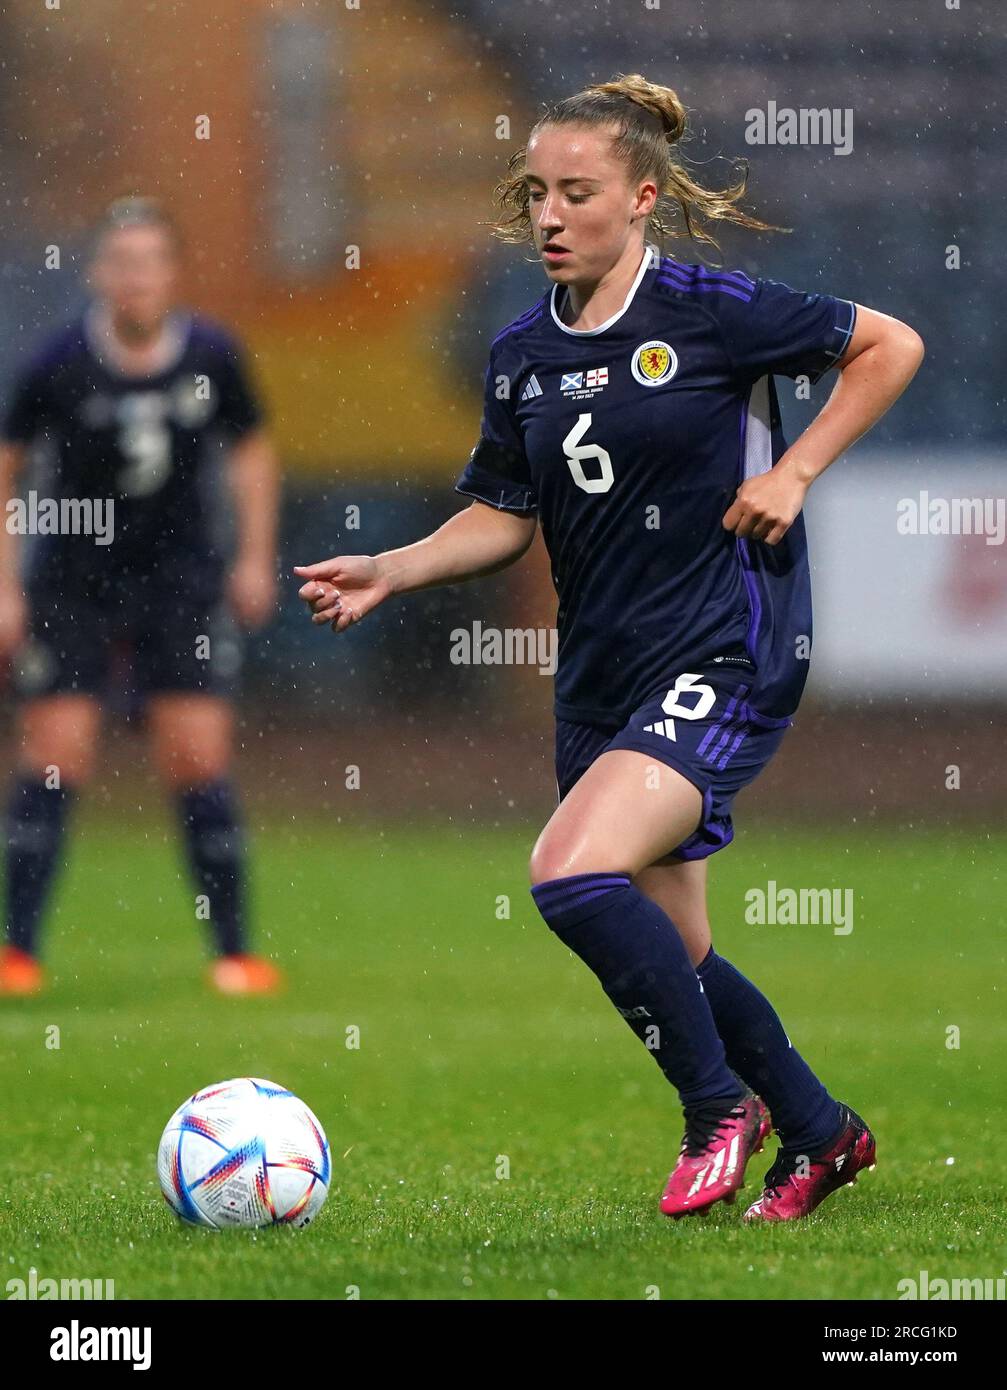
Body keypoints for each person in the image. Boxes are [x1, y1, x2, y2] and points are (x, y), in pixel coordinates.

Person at [294, 75, 924, 1220]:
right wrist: (391, 567)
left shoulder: (709, 310)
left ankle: (715, 1110)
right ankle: (822, 1133)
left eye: (574, 192)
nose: (547, 213)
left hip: (723, 649)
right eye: (533, 191)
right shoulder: (520, 354)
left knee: (568, 874)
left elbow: (888, 343)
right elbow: (503, 515)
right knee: (675, 947)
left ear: (638, 199)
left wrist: (792, 469)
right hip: (599, 677)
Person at [0, 196, 283, 997]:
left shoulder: (213, 356)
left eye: (149, 263)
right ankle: (17, 953)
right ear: (96, 274)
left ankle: (233, 954)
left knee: (196, 757)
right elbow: (7, 462)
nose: (134, 280)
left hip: (181, 579)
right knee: (54, 758)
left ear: (173, 274)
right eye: (119, 264)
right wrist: (6, 586)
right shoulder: (57, 362)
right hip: (73, 582)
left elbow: (253, 448)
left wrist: (254, 557)